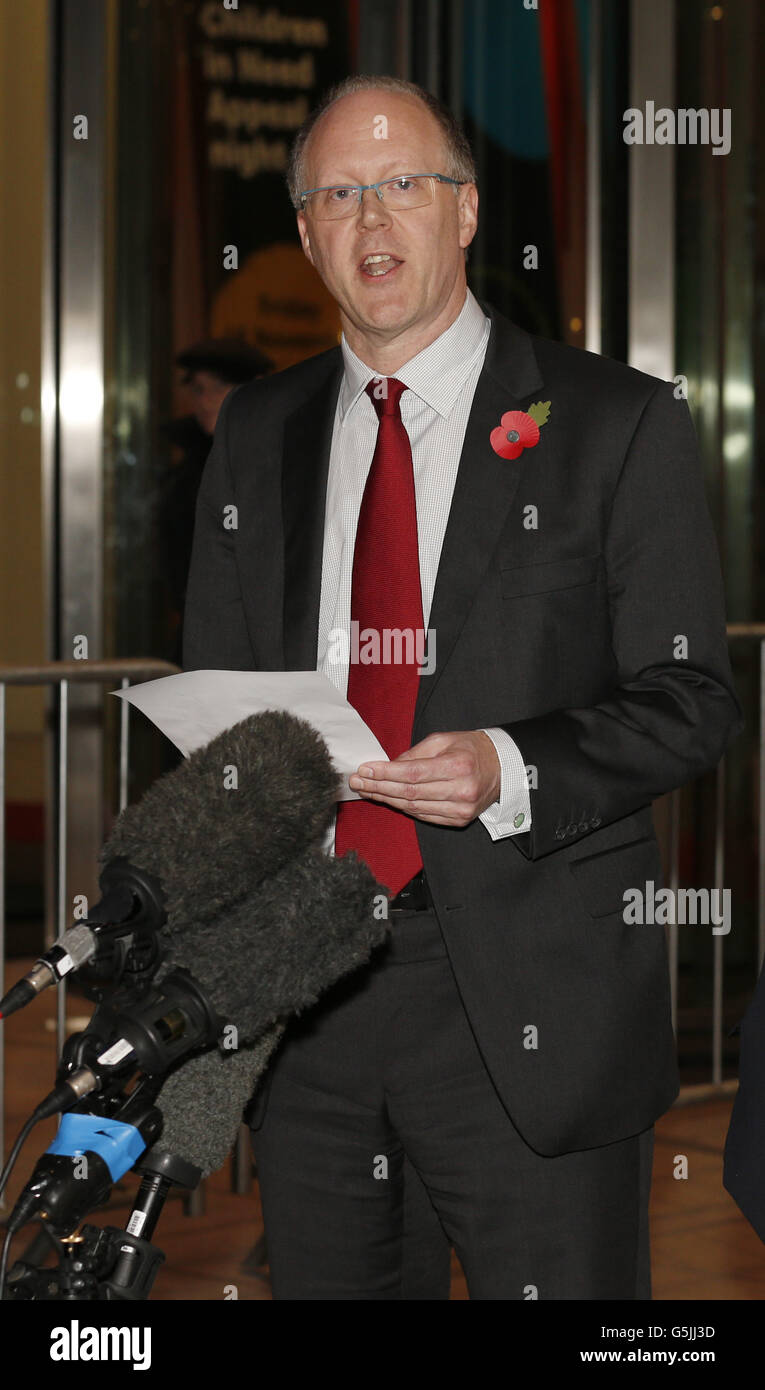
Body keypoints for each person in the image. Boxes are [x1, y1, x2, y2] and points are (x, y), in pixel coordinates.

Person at [182, 75, 743, 1300]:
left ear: (469, 210)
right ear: (307, 232)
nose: (372, 217)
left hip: (530, 1005)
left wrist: (511, 764)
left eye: (403, 183)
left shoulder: (612, 424)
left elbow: (693, 697)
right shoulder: (258, 435)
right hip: (313, 999)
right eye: (337, 193)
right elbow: (219, 704)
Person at [159, 338, 273, 664]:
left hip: (257, 645)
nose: (206, 400)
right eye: (197, 389)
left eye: (219, 387)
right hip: (197, 633)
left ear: (256, 389)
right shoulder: (188, 467)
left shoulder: (274, 459)